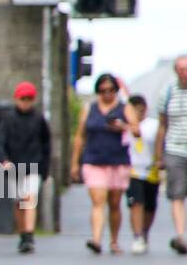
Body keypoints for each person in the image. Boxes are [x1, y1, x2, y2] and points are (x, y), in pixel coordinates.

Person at [72, 73, 139, 254]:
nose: (107, 94)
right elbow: (80, 136)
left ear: (116, 91)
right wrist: (75, 163)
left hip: (117, 161)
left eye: (110, 90)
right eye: (103, 91)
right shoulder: (89, 108)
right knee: (98, 200)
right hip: (93, 159)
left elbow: (136, 130)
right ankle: (96, 239)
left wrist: (122, 127)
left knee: (115, 203)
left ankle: (114, 241)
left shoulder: (125, 108)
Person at [0, 81, 50, 254]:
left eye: (29, 99)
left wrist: (44, 167)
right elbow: (0, 142)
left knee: (29, 199)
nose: (25, 102)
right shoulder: (8, 118)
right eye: (23, 99)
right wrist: (4, 160)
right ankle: (23, 234)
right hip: (14, 166)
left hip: (33, 165)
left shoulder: (39, 119)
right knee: (18, 202)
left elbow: (46, 143)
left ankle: (29, 235)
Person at [155, 55, 187, 254]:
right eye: (181, 69)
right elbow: (162, 125)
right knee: (177, 194)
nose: (184, 73)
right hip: (175, 148)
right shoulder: (168, 92)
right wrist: (159, 155)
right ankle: (180, 235)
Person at [126, 94, 160, 254]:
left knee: (150, 206)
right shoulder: (125, 126)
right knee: (136, 203)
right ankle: (137, 235)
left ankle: (145, 231)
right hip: (133, 171)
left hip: (151, 170)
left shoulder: (153, 125)